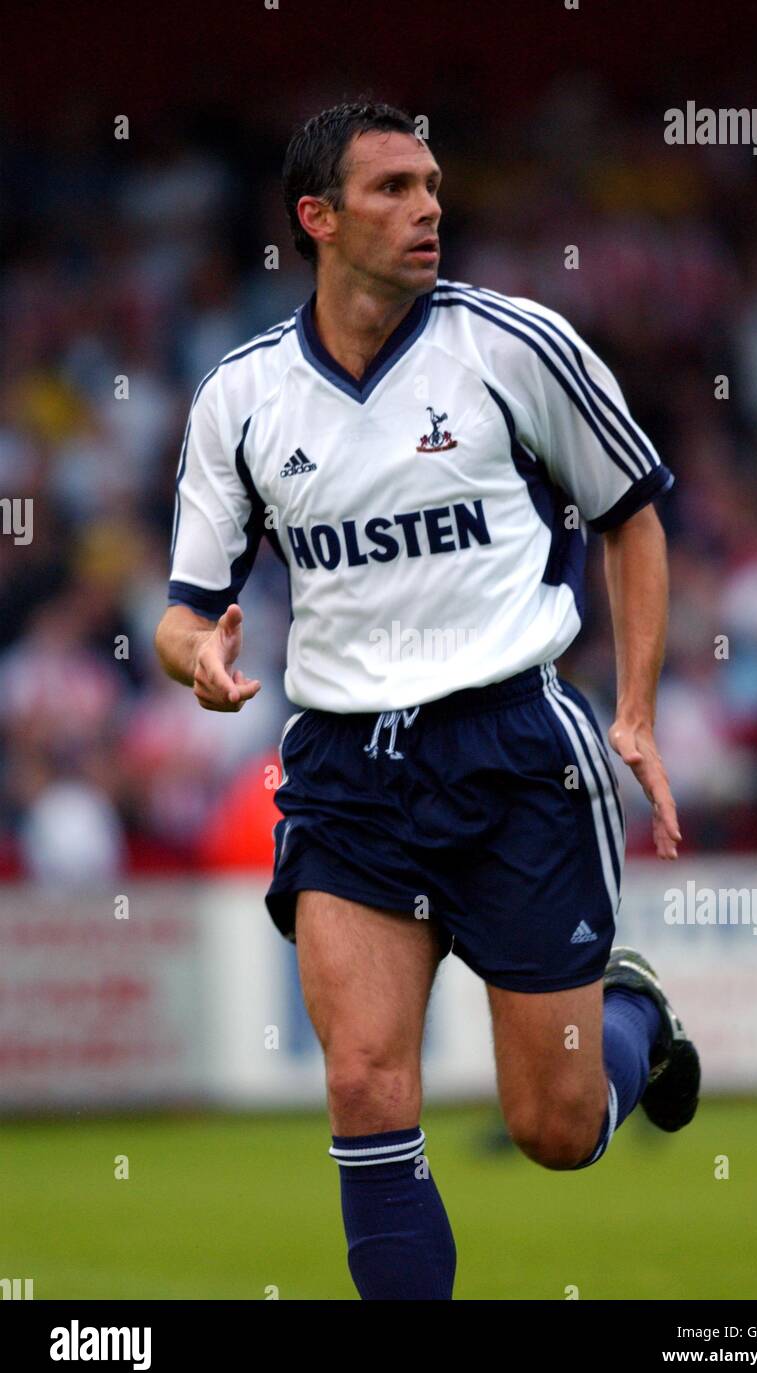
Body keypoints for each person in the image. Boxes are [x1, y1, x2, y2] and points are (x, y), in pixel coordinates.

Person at [154, 100, 700, 1301]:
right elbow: (182, 609)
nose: (427, 209)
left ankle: (633, 1019)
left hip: (512, 747)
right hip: (347, 768)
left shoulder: (514, 346)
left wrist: (638, 710)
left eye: (433, 185)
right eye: (394, 188)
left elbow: (633, 514)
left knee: (554, 1128)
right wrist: (195, 656)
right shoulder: (240, 400)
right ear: (318, 217)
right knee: (363, 1081)